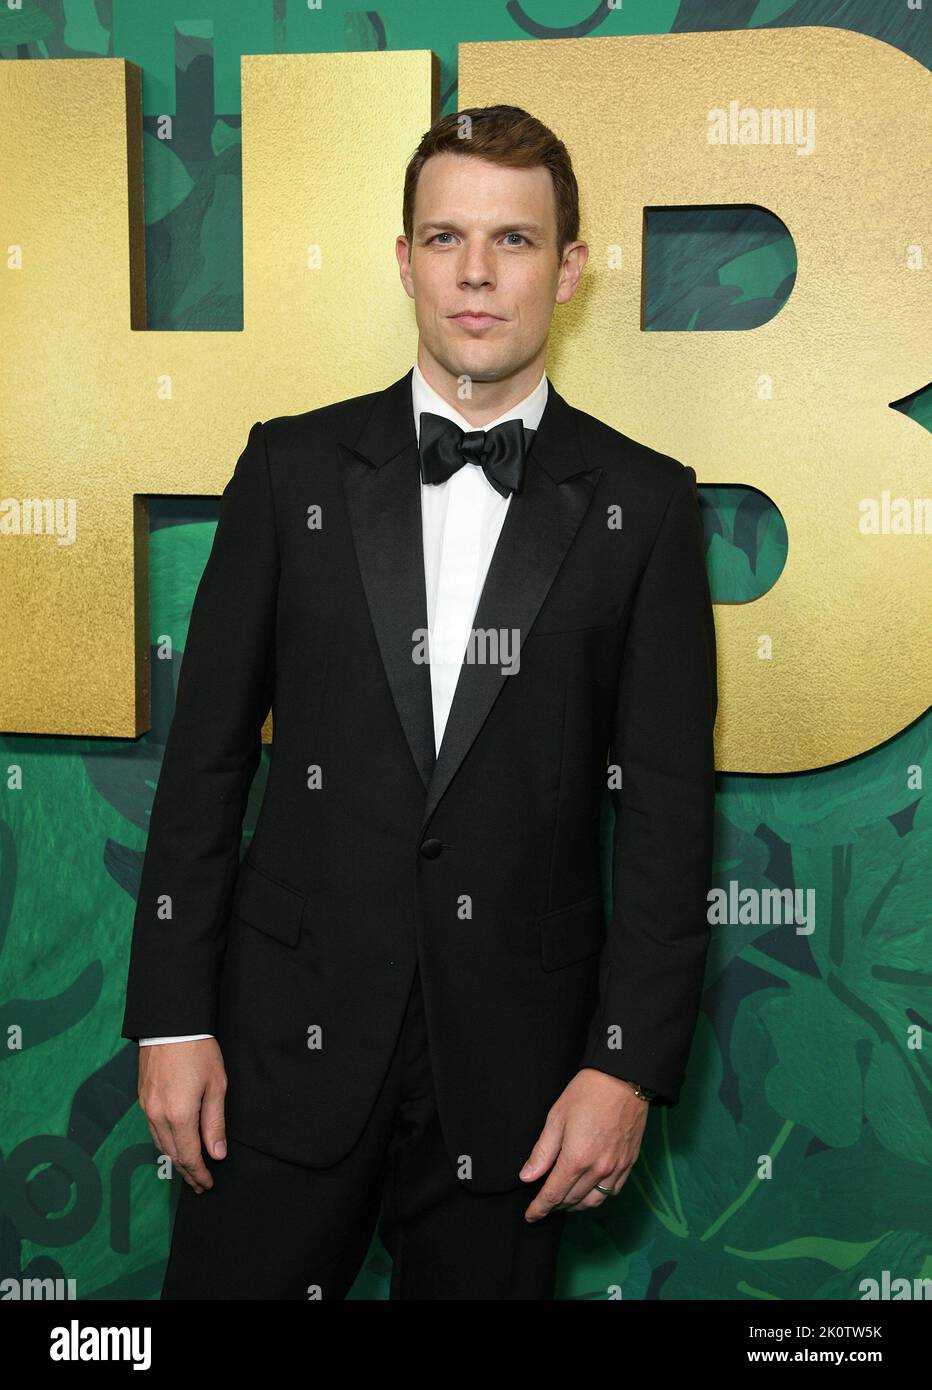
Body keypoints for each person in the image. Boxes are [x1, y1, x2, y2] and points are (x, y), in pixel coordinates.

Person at [121, 104, 718, 1300]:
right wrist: (171, 1017)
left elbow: (665, 815)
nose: (477, 273)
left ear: (569, 266)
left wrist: (623, 1067)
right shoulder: (290, 467)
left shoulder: (643, 508)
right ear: (404, 261)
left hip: (520, 1077)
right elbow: (204, 761)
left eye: (513, 239)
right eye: (445, 237)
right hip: (277, 1051)